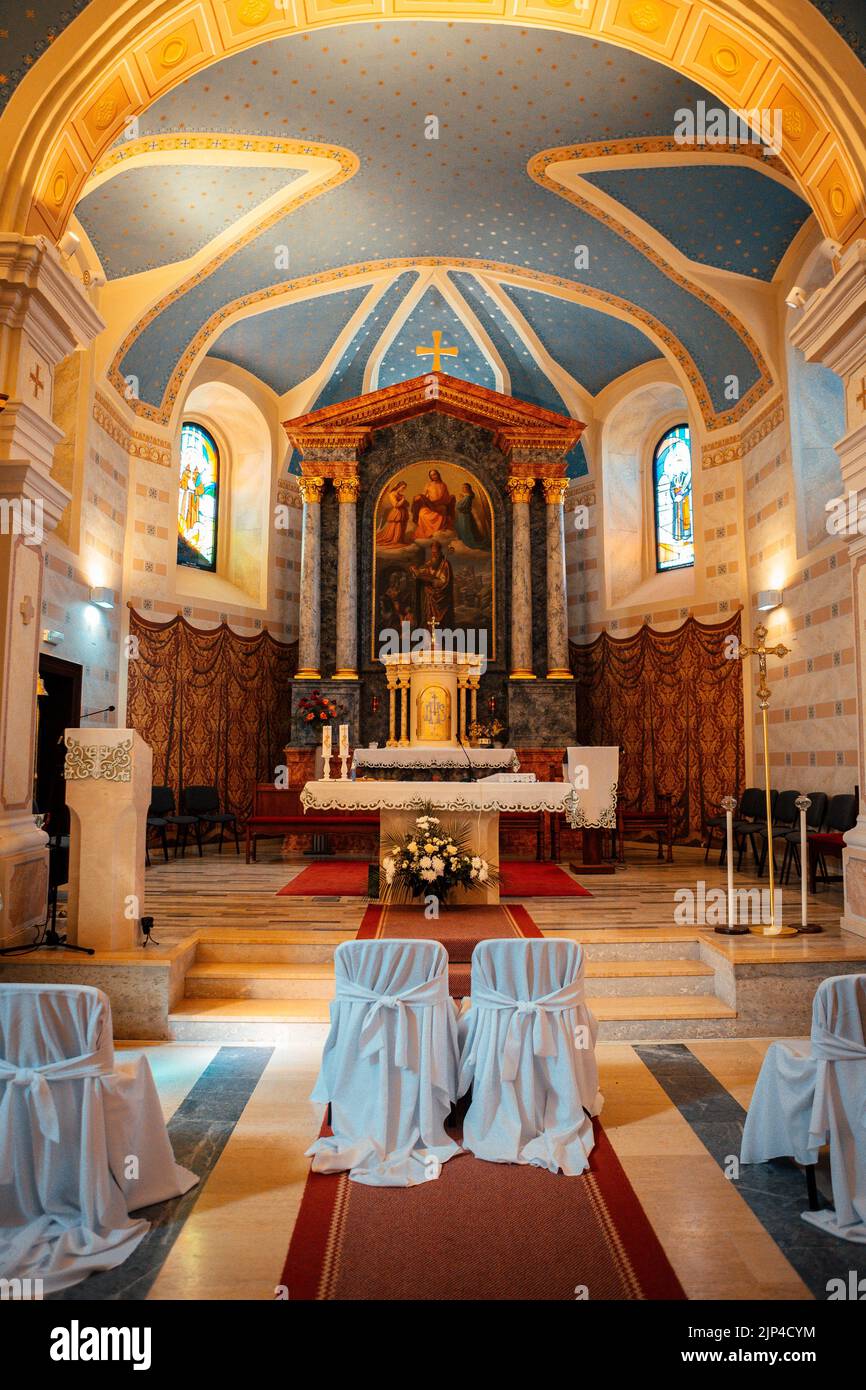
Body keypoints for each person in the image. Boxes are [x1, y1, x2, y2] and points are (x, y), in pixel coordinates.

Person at [410, 540, 456, 630]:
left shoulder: (445, 564)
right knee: (429, 618)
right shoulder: (430, 562)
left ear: (440, 552)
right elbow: (422, 571)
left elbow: (446, 582)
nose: (434, 555)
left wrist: (435, 581)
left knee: (441, 623)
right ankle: (429, 636)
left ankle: (441, 638)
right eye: (433, 553)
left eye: (436, 553)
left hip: (442, 598)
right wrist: (415, 570)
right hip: (430, 597)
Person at [411, 468, 455, 539]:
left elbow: (446, 497)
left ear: (438, 474)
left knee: (443, 510)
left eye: (434, 474)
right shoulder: (428, 485)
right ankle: (427, 532)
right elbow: (424, 495)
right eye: (431, 475)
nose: (433, 476)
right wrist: (419, 497)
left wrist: (446, 500)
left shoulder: (443, 485)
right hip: (430, 505)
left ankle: (437, 532)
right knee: (422, 513)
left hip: (439, 506)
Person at [376, 479, 410, 547]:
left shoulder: (400, 495)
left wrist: (404, 501)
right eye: (403, 487)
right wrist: (403, 500)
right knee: (397, 527)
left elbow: (407, 504)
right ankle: (395, 540)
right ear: (398, 486)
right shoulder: (392, 494)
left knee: (402, 527)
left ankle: (400, 540)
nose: (403, 489)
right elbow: (396, 505)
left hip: (403, 513)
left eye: (404, 488)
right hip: (397, 513)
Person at [455, 481, 489, 549]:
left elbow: (460, 506)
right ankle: (465, 542)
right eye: (462, 487)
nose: (463, 489)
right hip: (463, 515)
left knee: (466, 529)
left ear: (468, 488)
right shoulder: (466, 496)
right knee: (462, 529)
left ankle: (468, 543)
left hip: (465, 516)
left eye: (465, 487)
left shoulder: (468, 497)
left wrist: (459, 501)